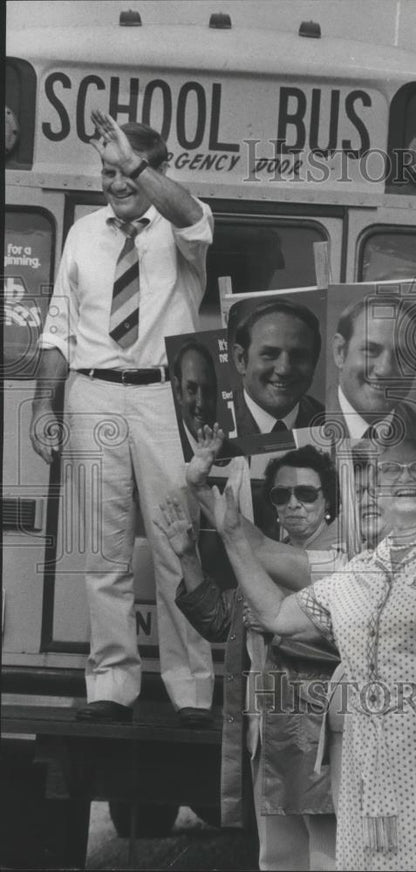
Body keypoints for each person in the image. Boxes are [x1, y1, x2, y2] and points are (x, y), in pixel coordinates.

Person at [211, 437, 416, 871]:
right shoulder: (358, 571)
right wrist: (233, 539)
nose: (405, 477)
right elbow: (276, 614)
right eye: (391, 469)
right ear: (375, 487)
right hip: (365, 775)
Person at [29, 110, 214, 727]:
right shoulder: (83, 233)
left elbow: (193, 216)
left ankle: (192, 691)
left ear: (153, 170)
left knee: (176, 544)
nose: (114, 183)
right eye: (106, 172)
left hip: (164, 395)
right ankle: (111, 683)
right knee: (102, 550)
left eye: (126, 171)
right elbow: (59, 328)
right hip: (93, 394)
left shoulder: (182, 226)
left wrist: (136, 164)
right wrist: (44, 403)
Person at [159, 435, 342, 870]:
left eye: (306, 494)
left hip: (321, 738)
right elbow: (220, 621)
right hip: (268, 734)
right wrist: (187, 556)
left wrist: (199, 487)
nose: (293, 504)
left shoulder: (339, 557)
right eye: (281, 495)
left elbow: (342, 643)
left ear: (329, 503)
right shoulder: (261, 563)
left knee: (328, 859)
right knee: (277, 860)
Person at [327, 293, 416, 441]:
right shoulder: (305, 421)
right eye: (371, 350)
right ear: (340, 352)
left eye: (402, 356)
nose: (384, 370)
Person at [229, 300, 325, 439]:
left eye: (298, 355)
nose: (284, 369)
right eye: (270, 354)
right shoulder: (217, 423)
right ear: (241, 360)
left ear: (314, 362)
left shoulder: (329, 421)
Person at [172, 339, 218, 462]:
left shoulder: (232, 451)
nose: (200, 403)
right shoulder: (169, 446)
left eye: (207, 390)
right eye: (191, 390)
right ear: (178, 391)